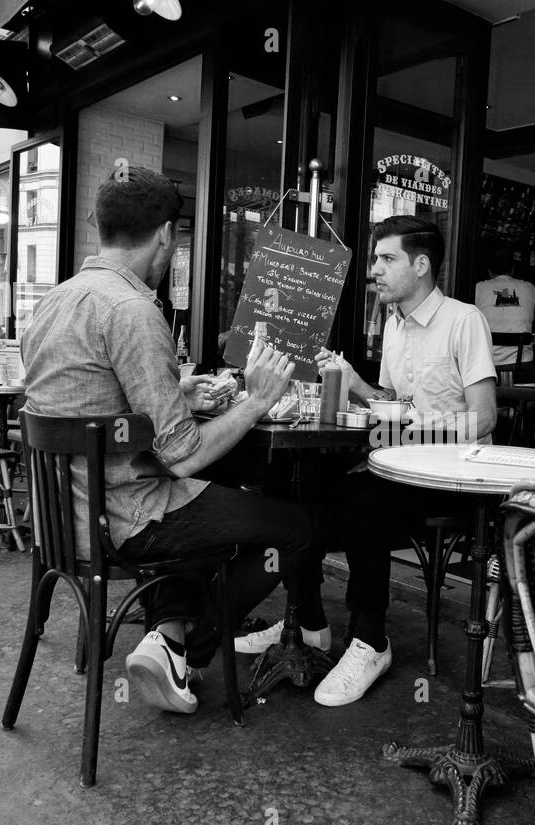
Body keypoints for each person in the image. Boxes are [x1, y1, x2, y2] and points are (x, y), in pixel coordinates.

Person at [22, 166, 328, 715]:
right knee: (296, 528)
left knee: (220, 495)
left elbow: (91, 401)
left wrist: (178, 392)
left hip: (64, 521)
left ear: (100, 226)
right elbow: (181, 457)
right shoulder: (133, 311)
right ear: (165, 234)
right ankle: (179, 645)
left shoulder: (55, 300)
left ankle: (168, 629)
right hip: (128, 518)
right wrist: (257, 400)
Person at [235, 216, 497, 707]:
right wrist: (357, 386)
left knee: (364, 494)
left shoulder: (464, 321)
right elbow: (392, 402)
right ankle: (307, 620)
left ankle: (371, 637)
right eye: (375, 258)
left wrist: (407, 428)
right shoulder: (394, 327)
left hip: (450, 476)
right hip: (397, 460)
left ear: (421, 265)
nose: (373, 268)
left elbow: (482, 420)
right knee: (300, 480)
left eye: (386, 258)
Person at [475, 248, 535, 370]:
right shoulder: (529, 288)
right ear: (512, 269)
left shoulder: (478, 288)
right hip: (522, 364)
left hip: (484, 364)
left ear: (489, 271)